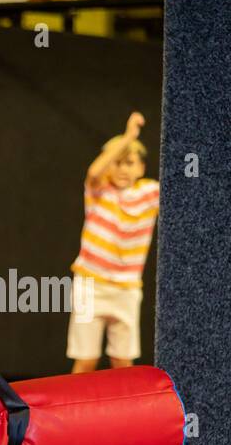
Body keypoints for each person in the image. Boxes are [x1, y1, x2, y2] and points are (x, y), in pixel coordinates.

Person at [66, 111, 160, 373]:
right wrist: (128, 136)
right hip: (90, 285)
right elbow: (95, 170)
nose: (122, 168)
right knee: (86, 360)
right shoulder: (98, 191)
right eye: (117, 162)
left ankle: (123, 414)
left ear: (141, 168)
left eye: (129, 162)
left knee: (122, 362)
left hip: (126, 290)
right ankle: (76, 412)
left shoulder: (150, 193)